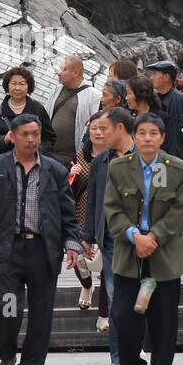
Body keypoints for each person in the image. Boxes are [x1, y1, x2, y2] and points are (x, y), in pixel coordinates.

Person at [0, 113, 82, 365]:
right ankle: (7, 354)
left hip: (43, 250)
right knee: (8, 306)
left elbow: (67, 213)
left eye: (36, 134)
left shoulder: (55, 170)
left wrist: (72, 243)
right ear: (12, 136)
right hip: (8, 249)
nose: (32, 139)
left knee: (41, 309)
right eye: (26, 134)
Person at [106, 113, 183, 365]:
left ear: (162, 137)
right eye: (141, 133)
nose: (147, 138)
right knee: (122, 316)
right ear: (134, 135)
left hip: (163, 254)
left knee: (164, 321)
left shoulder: (177, 169)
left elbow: (178, 212)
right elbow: (112, 209)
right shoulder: (119, 168)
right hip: (130, 254)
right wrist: (134, 236)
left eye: (153, 133)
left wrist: (153, 237)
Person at [84, 107, 136, 365]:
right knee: (115, 299)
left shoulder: (143, 157)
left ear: (120, 129)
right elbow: (94, 199)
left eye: (104, 129)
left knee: (141, 297)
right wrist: (87, 234)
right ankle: (119, 356)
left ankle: (138, 351)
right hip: (110, 240)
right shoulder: (100, 160)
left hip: (140, 241)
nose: (99, 134)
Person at [69, 113, 107, 311]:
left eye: (103, 128)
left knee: (104, 258)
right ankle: (87, 285)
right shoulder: (78, 157)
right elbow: (67, 192)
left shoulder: (117, 156)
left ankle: (104, 308)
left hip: (106, 214)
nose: (98, 132)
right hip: (80, 214)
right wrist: (71, 177)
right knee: (78, 257)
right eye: (94, 128)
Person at [0, 66, 56, 155]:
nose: (17, 88)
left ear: (28, 87)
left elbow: (50, 138)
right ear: (7, 85)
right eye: (13, 83)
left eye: (22, 84)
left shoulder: (38, 109)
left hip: (33, 163)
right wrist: (4, 139)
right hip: (7, 164)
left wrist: (35, 150)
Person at [49, 55, 102, 167]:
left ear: (75, 72)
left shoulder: (94, 95)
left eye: (63, 69)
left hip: (71, 159)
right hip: (48, 152)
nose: (59, 73)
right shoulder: (57, 89)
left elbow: (94, 126)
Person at [146, 61, 183, 163]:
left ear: (166, 77)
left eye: (155, 74)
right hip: (153, 156)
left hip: (177, 160)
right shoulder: (149, 100)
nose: (151, 77)